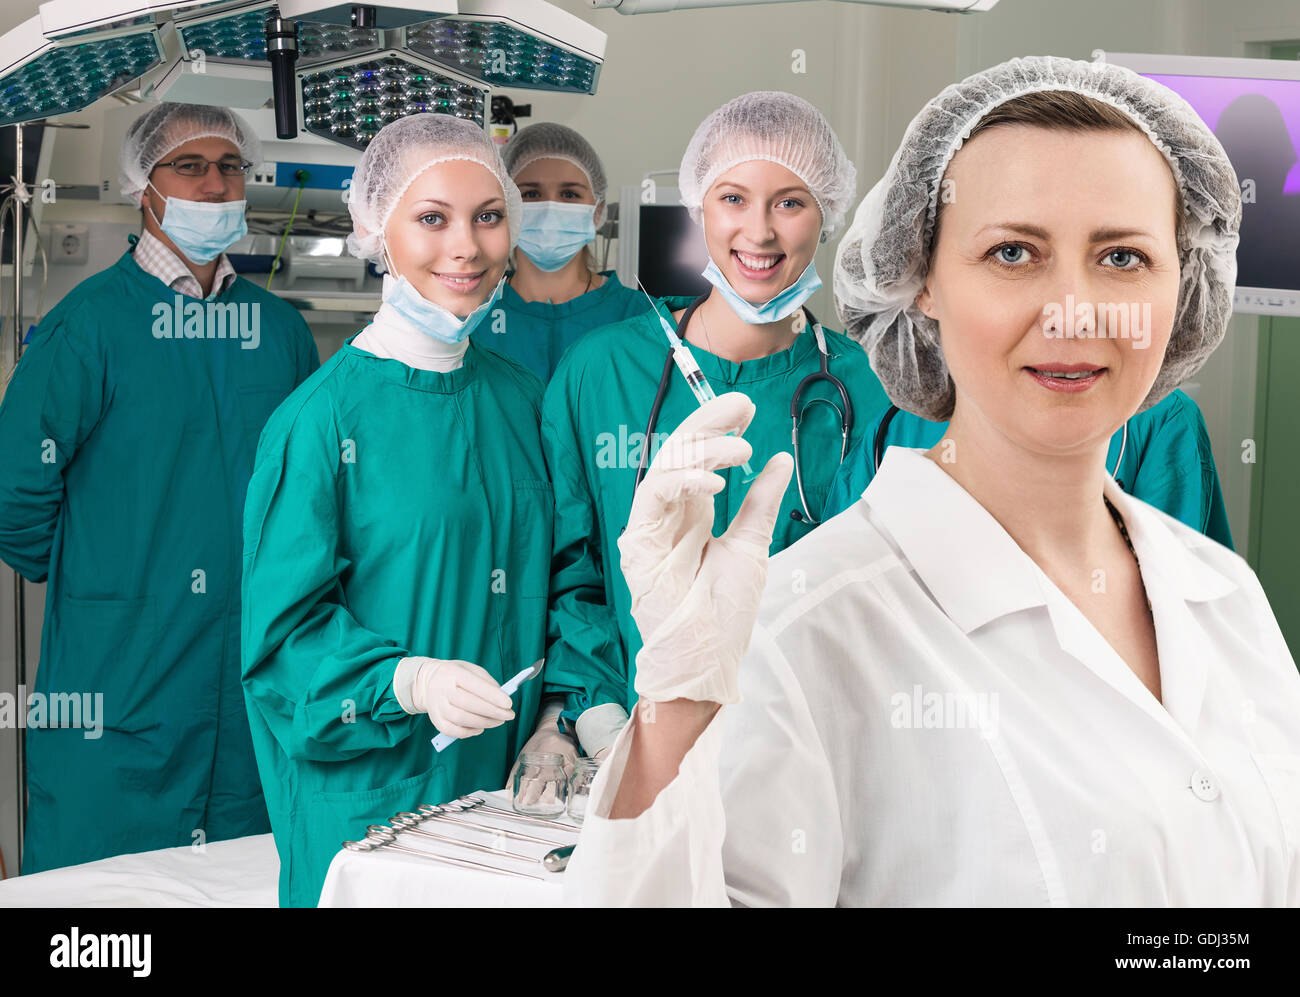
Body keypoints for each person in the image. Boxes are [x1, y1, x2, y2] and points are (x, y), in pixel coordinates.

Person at [563, 56, 1300, 906]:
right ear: (920, 285)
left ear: (1186, 287)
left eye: (1124, 257)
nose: (1073, 309)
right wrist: (677, 709)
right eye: (1014, 251)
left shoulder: (1226, 598)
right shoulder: (809, 632)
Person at [240, 114, 553, 907]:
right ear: (378, 231)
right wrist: (407, 679)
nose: (467, 247)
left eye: (488, 217)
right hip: (370, 807)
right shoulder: (319, 423)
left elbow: (564, 571)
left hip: (501, 802)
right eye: (432, 218)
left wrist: (560, 716)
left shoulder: (519, 398)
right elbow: (281, 648)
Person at [0, 104, 319, 872]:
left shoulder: (279, 333)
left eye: (230, 167)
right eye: (190, 167)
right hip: (117, 679)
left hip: (249, 679)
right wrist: (108, 574)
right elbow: (14, 493)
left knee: (244, 874)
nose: (216, 184)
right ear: (145, 186)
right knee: (99, 906)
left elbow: (312, 490)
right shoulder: (89, 327)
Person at [538, 92, 891, 767]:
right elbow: (574, 572)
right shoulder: (602, 372)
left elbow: (878, 596)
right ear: (698, 208)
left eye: (789, 202)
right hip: (637, 737)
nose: (758, 233)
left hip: (808, 751)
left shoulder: (869, 388)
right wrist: (603, 719)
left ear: (828, 215)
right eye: (733, 199)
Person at [823, 388, 1235, 548]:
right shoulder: (894, 426)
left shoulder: (1159, 420)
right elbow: (841, 598)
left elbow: (1174, 627)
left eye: (1116, 259)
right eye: (1013, 254)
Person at [490, 122, 656, 382]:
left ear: (598, 211)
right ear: (507, 206)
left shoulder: (644, 319)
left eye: (569, 194)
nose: (550, 208)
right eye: (531, 194)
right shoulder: (475, 316)